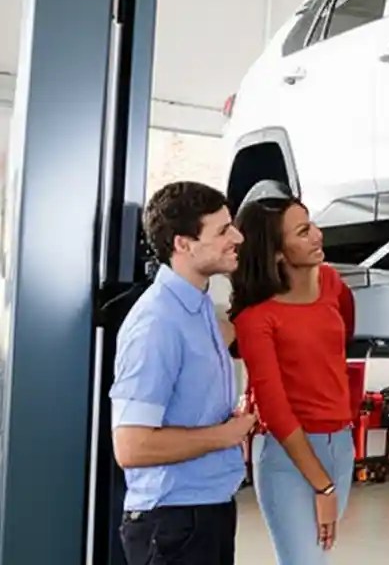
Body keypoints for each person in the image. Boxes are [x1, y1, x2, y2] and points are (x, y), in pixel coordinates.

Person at [110, 181, 257, 565]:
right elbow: (132, 447)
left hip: (208, 510)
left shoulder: (197, 308)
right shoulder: (156, 324)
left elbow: (226, 338)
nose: (237, 238)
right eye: (223, 230)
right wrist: (225, 435)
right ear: (183, 244)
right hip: (173, 522)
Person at [229, 195, 356, 564]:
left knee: (317, 558)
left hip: (341, 445)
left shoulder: (332, 283)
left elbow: (341, 342)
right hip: (287, 453)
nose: (317, 235)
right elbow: (275, 411)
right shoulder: (256, 319)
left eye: (311, 224)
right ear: (276, 253)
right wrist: (323, 486)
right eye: (302, 232)